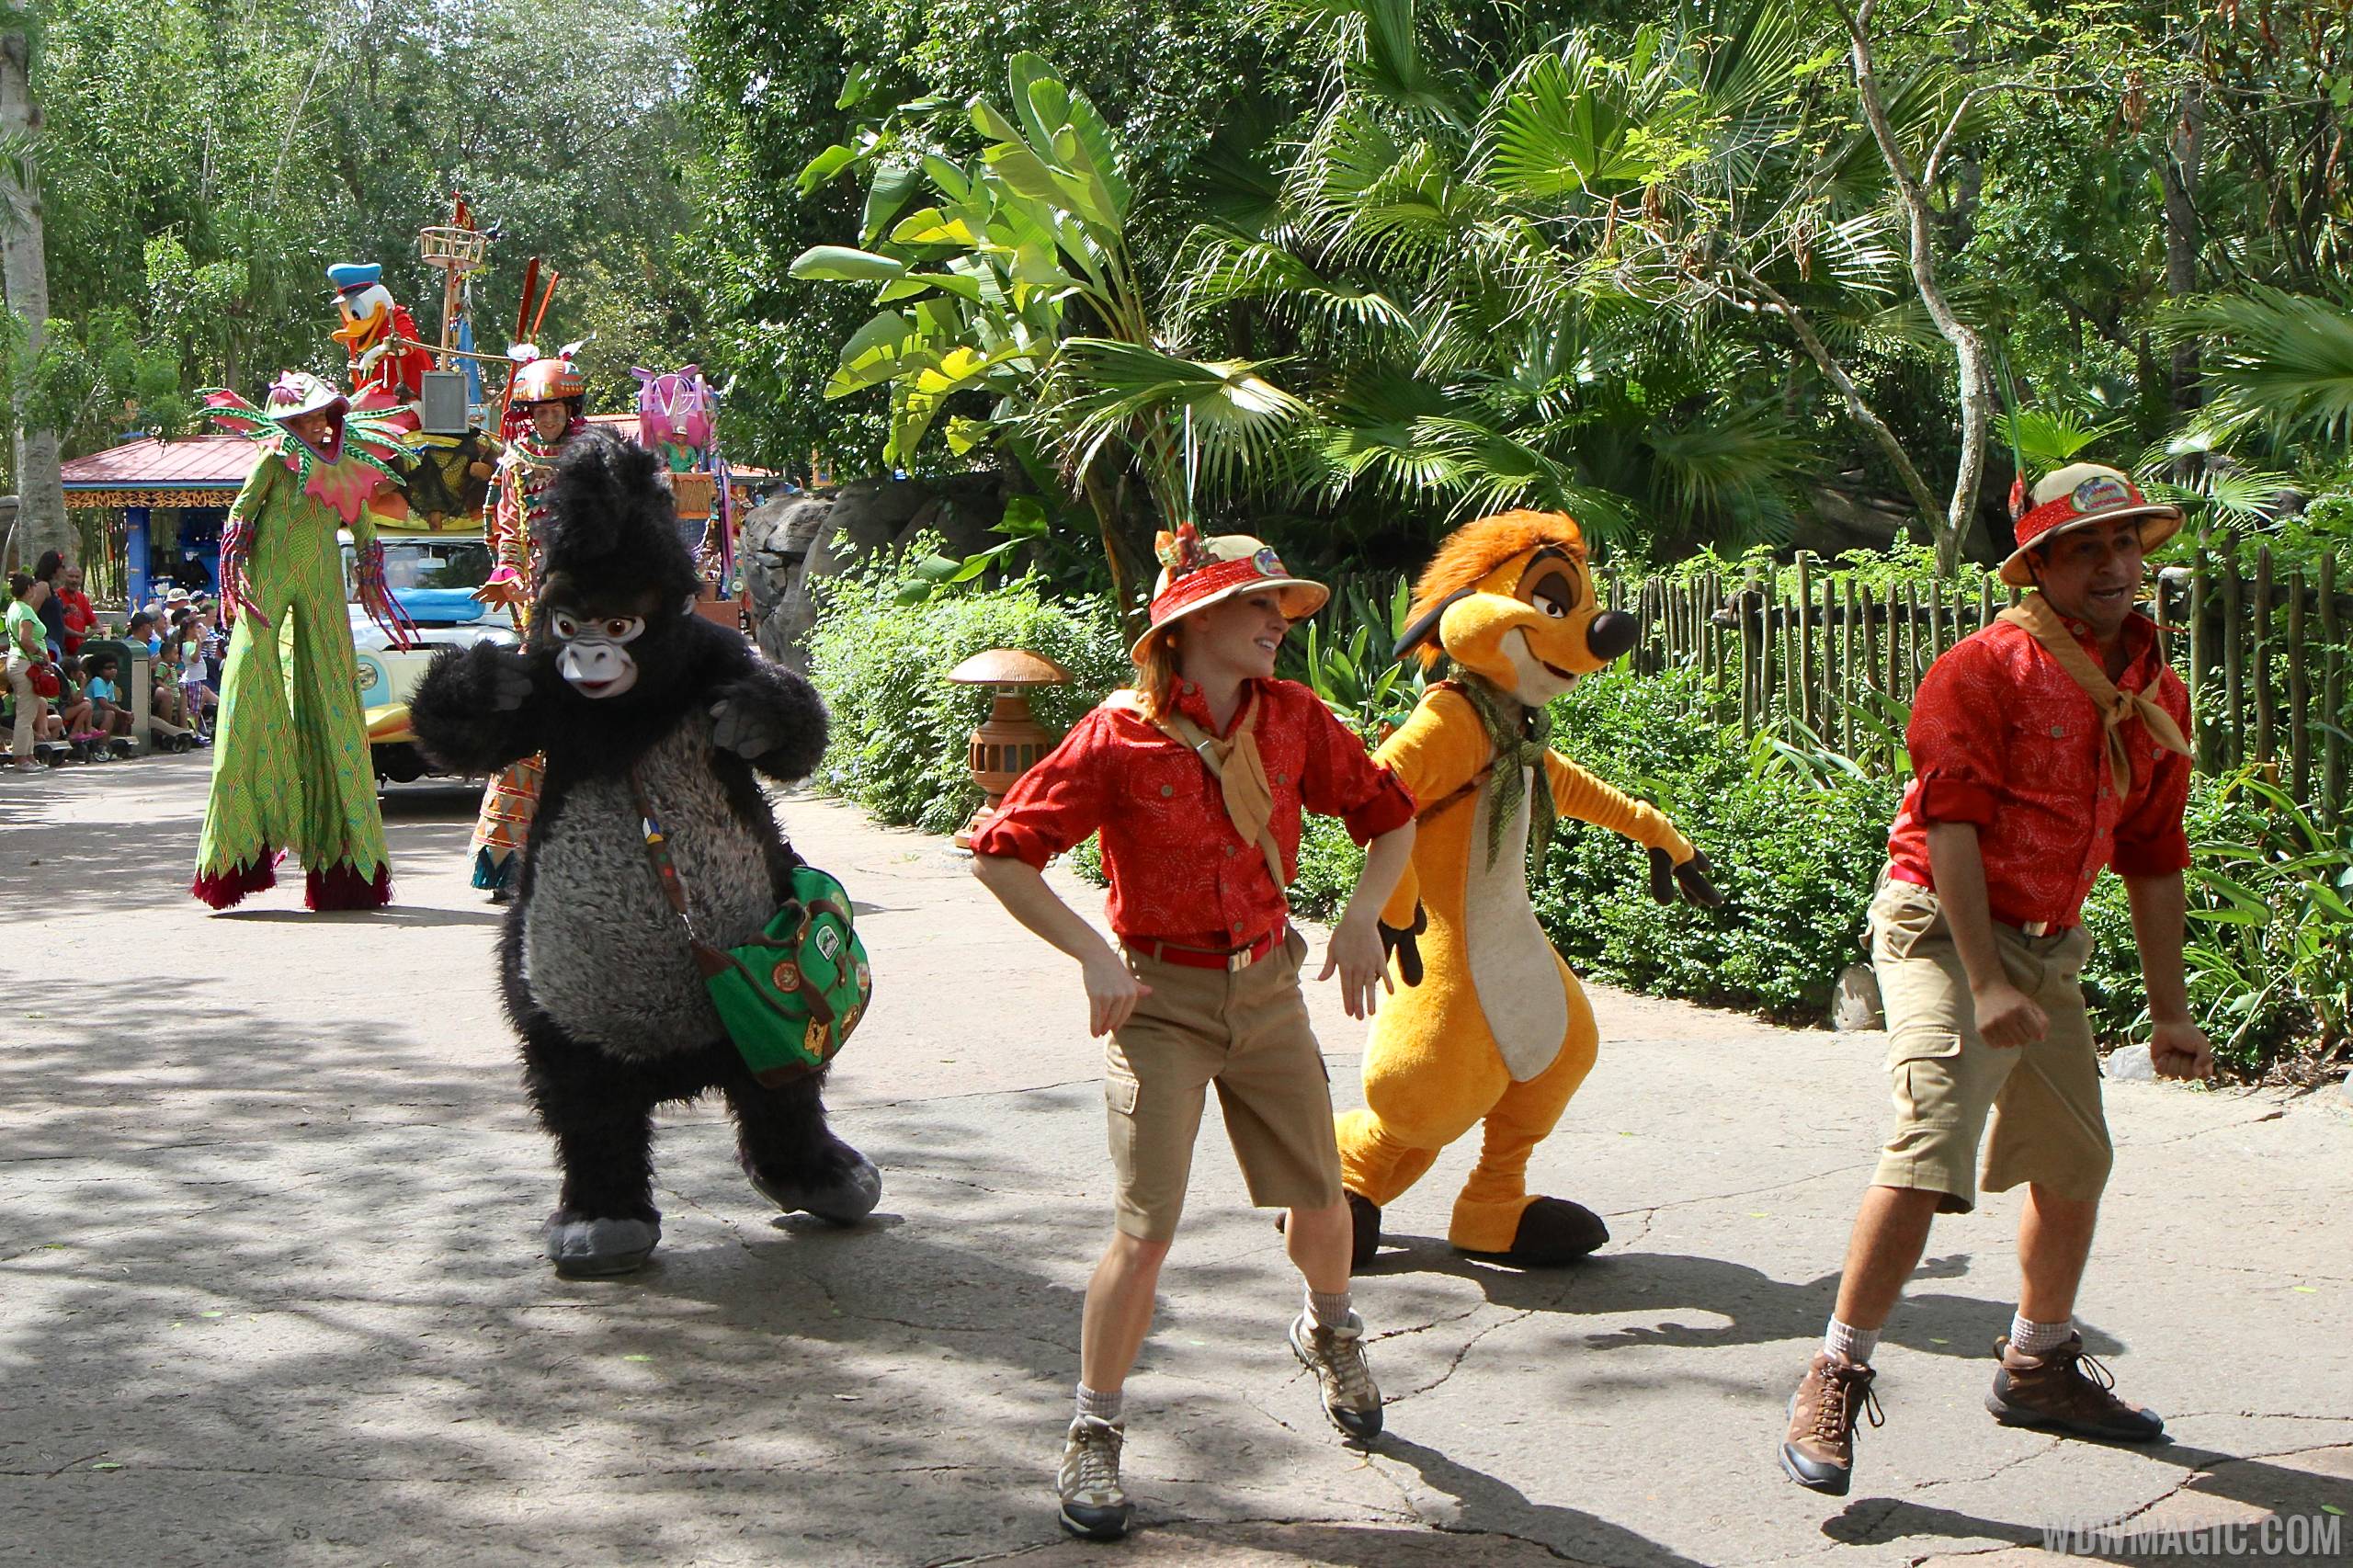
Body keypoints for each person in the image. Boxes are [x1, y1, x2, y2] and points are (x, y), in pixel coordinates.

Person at [969, 526, 1418, 1542]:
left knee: (1320, 1195)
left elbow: (1391, 816)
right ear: (1190, 624)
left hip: (1265, 989)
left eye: (1277, 606)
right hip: (1158, 1001)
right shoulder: (1114, 735)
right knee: (1146, 1228)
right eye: (1257, 607)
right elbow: (1002, 854)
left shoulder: (1297, 718)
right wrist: (1091, 951)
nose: (1277, 623)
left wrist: (1360, 917)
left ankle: (1329, 1327)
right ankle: (1094, 1426)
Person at [1779, 462, 2216, 1499]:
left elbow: (2153, 853)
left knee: (2075, 1157)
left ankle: (2037, 1363)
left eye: (2125, 545)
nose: (2114, 565)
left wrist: (2170, 1013)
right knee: (1931, 1141)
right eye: (2085, 550)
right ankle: (1834, 1367)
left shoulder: (2152, 690)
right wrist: (1982, 983)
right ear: (2042, 567)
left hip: (2045, 945)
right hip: (1943, 928)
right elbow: (1951, 826)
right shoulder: (1985, 668)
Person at [190, 369, 413, 910]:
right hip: (266, 584)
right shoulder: (272, 460)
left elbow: (361, 522)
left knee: (335, 701)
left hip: (320, 590)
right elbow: (242, 513)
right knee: (248, 695)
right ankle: (236, 859)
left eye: (323, 417)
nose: (317, 426)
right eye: (306, 418)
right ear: (288, 422)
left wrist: (369, 569)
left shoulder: (350, 466)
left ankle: (344, 867)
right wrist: (233, 565)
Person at [465, 347, 589, 901]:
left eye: (554, 409)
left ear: (571, 408)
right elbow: (509, 537)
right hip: (536, 618)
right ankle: (509, 862)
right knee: (525, 735)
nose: (546, 419)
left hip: (590, 614)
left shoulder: (596, 461)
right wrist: (510, 575)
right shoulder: (515, 465)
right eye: (537, 412)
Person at [6, 573, 49, 771]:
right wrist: (42, 653)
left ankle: (29, 755)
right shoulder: (26, 611)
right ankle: (20, 758)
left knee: (29, 710)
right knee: (25, 713)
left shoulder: (13, 608)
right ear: (30, 589)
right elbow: (26, 639)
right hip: (25, 663)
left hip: (16, 662)